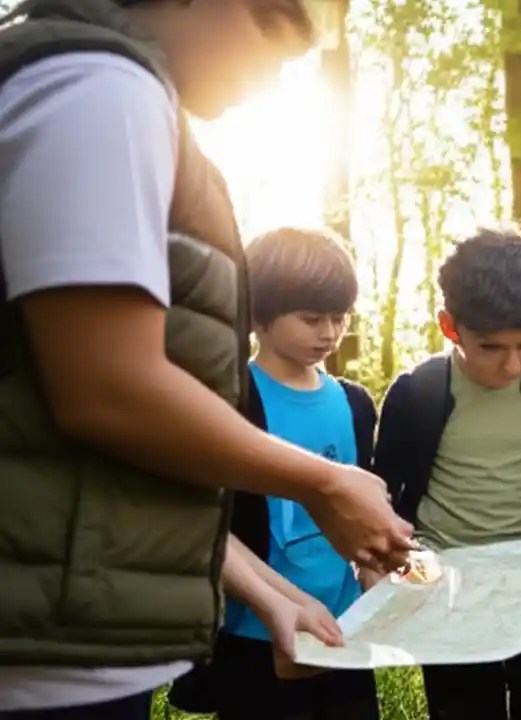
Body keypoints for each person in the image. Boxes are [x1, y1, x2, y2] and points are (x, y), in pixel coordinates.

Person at [0, 0, 413, 715]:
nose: (278, 79)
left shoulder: (116, 91)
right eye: (274, 37)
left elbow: (125, 451)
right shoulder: (103, 89)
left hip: (67, 629)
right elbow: (109, 389)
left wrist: (276, 595)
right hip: (42, 651)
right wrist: (322, 484)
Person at [374, 226, 521, 720]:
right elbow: (386, 500)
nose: (511, 365)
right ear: (449, 326)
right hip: (449, 596)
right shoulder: (416, 394)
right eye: (491, 348)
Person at [194, 227, 380, 719]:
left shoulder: (355, 403)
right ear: (258, 316)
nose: (329, 333)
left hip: (345, 632)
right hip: (257, 635)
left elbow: (362, 516)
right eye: (311, 318)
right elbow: (206, 522)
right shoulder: (229, 399)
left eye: (339, 318)